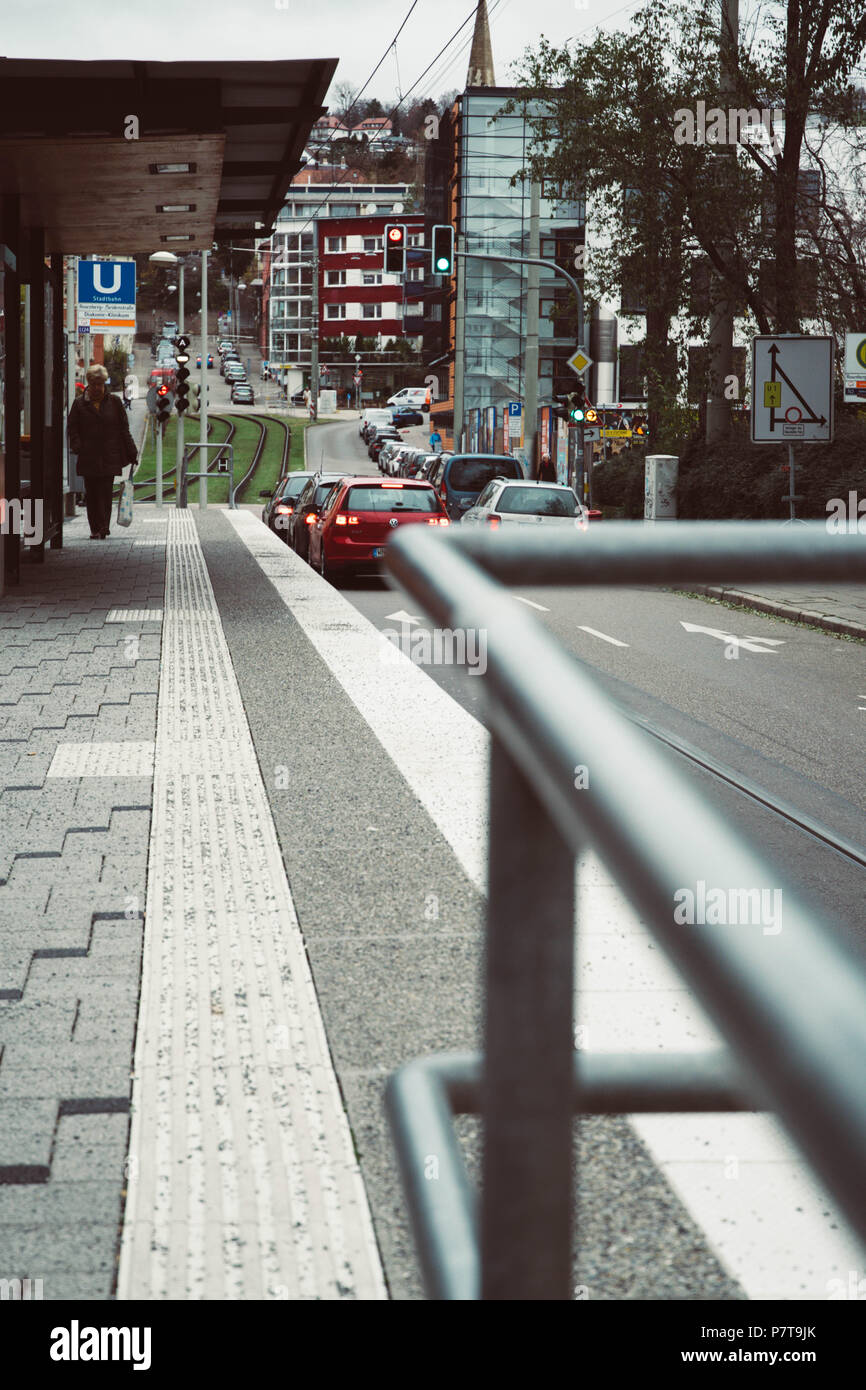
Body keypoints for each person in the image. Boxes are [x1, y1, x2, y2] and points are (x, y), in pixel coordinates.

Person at [67, 364, 138, 539]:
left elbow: (124, 429)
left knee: (106, 493)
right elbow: (72, 428)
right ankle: (95, 528)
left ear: (104, 384)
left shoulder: (114, 402)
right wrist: (77, 445)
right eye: (94, 384)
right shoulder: (79, 404)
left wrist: (132, 452)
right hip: (89, 455)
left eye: (100, 384)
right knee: (91, 493)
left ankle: (104, 526)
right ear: (88, 384)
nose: (97, 388)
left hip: (109, 455)